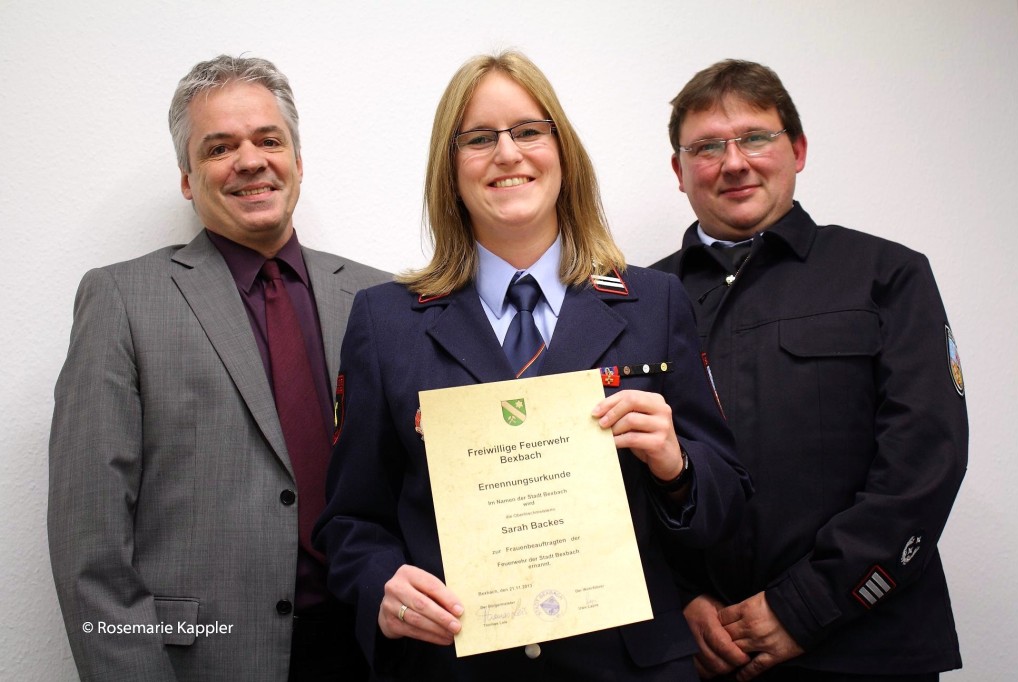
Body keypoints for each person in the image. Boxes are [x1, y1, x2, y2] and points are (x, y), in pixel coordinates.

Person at [313, 50, 752, 682]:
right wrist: (383, 585)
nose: (508, 154)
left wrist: (675, 465)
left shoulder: (654, 302)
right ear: (450, 167)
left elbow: (727, 504)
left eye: (528, 132)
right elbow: (352, 521)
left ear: (562, 152)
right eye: (480, 138)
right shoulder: (385, 322)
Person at [48, 55, 390, 681]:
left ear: (298, 160)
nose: (251, 160)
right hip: (207, 659)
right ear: (187, 177)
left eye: (269, 140)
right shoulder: (123, 300)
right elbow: (88, 543)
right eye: (219, 147)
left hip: (376, 648)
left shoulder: (381, 298)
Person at [650, 59, 968, 681]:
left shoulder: (886, 274)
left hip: (867, 648)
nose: (734, 162)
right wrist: (678, 601)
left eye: (756, 138)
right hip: (699, 657)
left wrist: (804, 606)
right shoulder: (636, 302)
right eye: (707, 146)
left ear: (797, 149)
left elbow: (924, 459)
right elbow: (619, 485)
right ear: (679, 172)